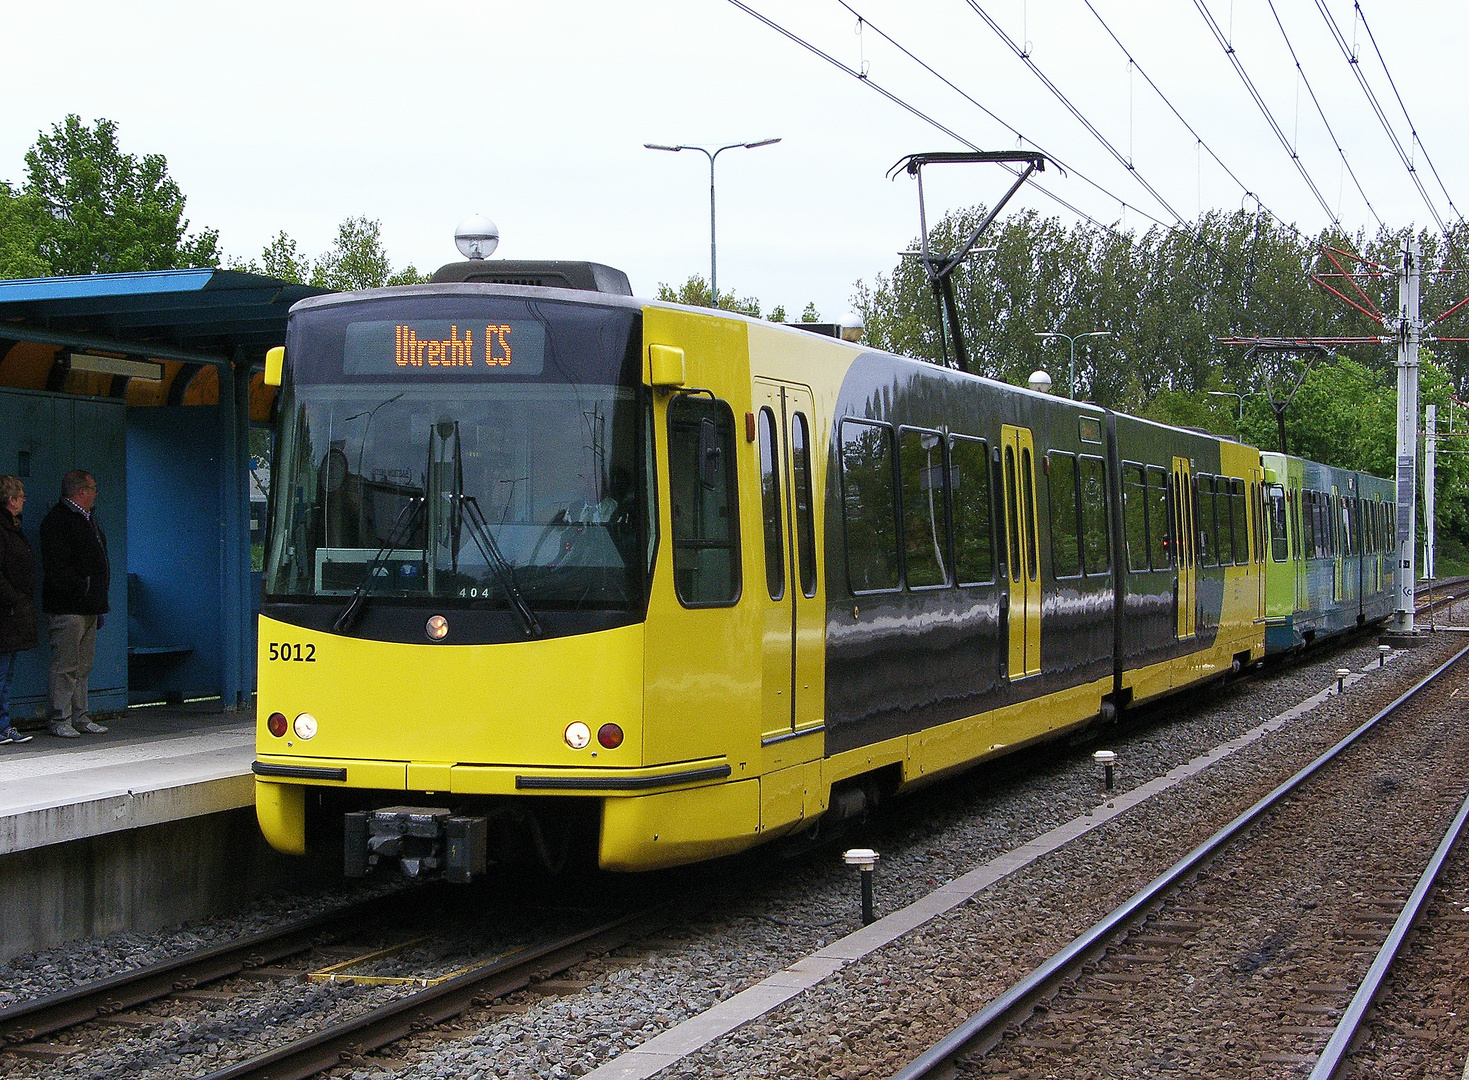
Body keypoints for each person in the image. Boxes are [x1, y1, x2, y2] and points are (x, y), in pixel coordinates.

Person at [40, 470, 110, 738]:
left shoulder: (88, 519)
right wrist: (83, 590)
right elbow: (58, 568)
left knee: (83, 666)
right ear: (81, 492)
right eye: (92, 488)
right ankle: (60, 719)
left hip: (89, 605)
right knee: (65, 666)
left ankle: (80, 716)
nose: (95, 493)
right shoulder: (58, 521)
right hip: (69, 607)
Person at [0, 475, 37, 744]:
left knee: (7, 672)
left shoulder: (13, 528)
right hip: (7, 610)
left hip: (13, 610)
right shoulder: (6, 530)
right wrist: (15, 598)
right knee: (2, 672)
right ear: (11, 500)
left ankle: (4, 724)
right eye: (21, 496)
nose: (24, 500)